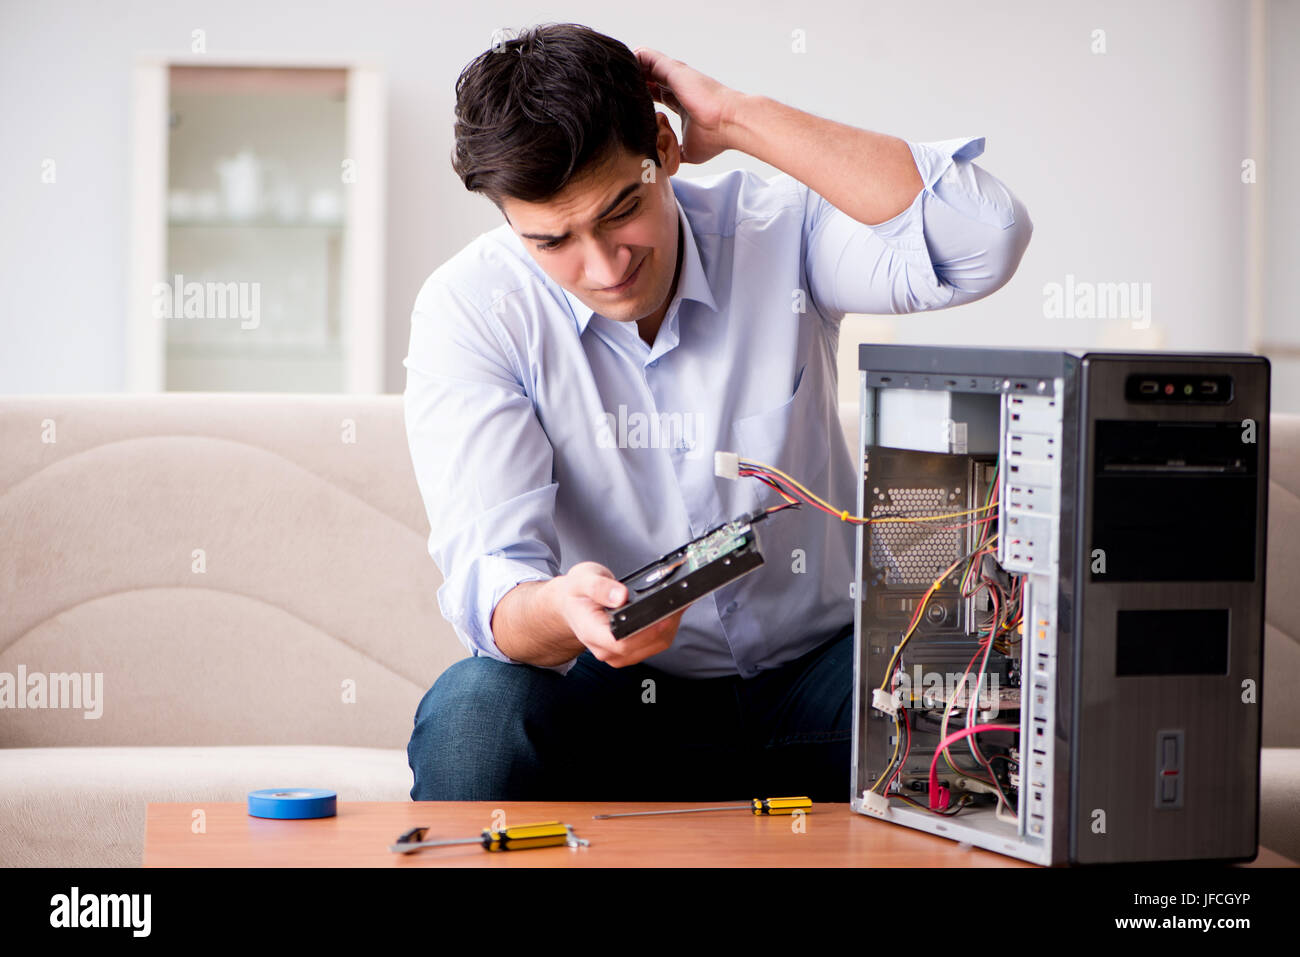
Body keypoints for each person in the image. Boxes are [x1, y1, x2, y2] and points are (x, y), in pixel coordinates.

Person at [404, 22, 1032, 802]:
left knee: (1005, 693)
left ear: (664, 147)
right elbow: (492, 590)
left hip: (831, 687)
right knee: (474, 712)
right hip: (628, 700)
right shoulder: (472, 310)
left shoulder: (778, 232)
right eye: (552, 240)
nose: (603, 266)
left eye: (622, 208)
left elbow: (987, 239)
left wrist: (734, 116)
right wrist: (568, 613)